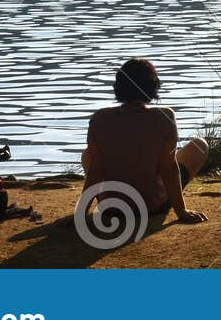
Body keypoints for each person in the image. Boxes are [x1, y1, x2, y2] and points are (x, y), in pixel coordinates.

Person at [81, 58, 209, 225]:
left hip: (112, 208)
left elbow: (96, 170)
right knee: (200, 145)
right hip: (152, 207)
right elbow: (168, 168)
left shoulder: (99, 118)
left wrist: (81, 212)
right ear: (153, 86)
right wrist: (181, 211)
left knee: (87, 155)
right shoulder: (165, 117)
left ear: (118, 87)